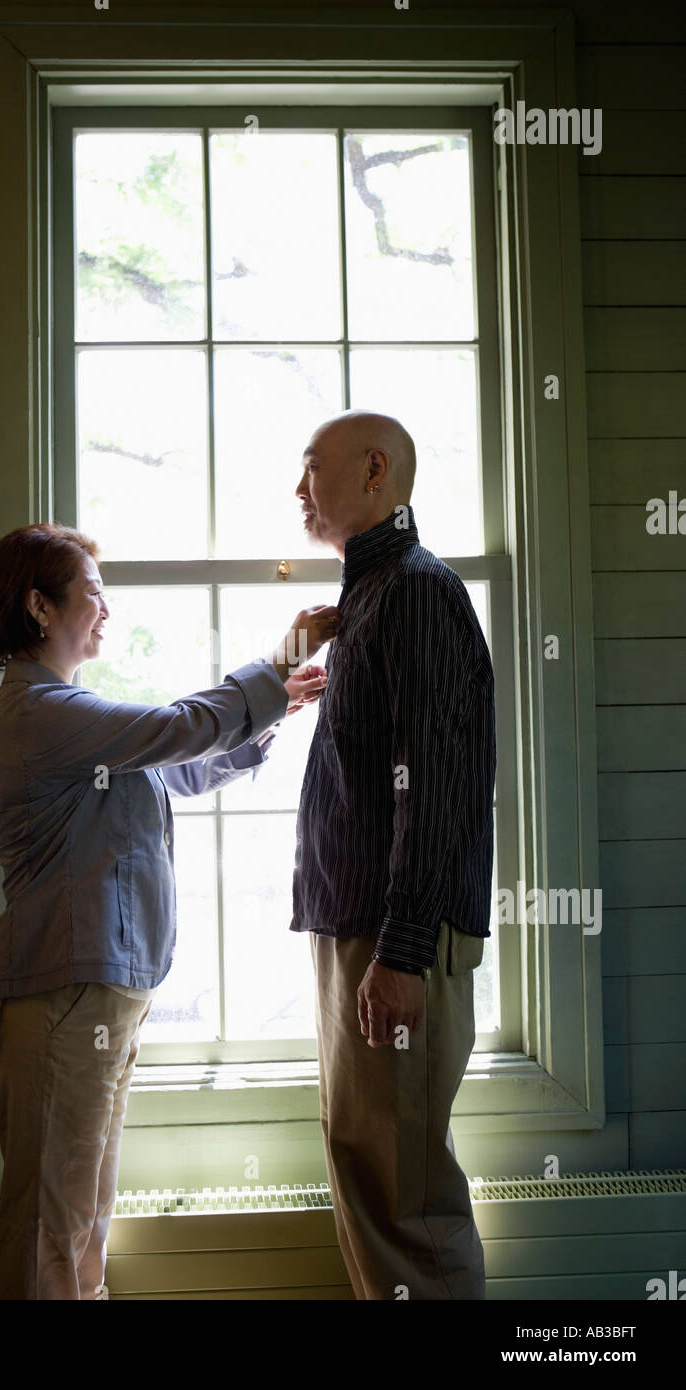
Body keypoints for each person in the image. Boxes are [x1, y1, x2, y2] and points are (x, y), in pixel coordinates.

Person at [0, 521, 337, 1299]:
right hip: (56, 998)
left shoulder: (68, 712)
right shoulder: (39, 713)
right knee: (52, 1229)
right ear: (39, 606)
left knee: (81, 1219)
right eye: (92, 594)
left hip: (92, 997)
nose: (106, 609)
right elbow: (175, 730)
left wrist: (271, 709)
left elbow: (173, 773)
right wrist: (279, 660)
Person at [290, 409, 497, 1300]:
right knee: (372, 1180)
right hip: (362, 932)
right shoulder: (372, 598)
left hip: (392, 939)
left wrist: (403, 948)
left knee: (405, 1203)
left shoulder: (414, 590)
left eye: (312, 469)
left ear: (375, 471)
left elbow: (440, 781)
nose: (298, 490)